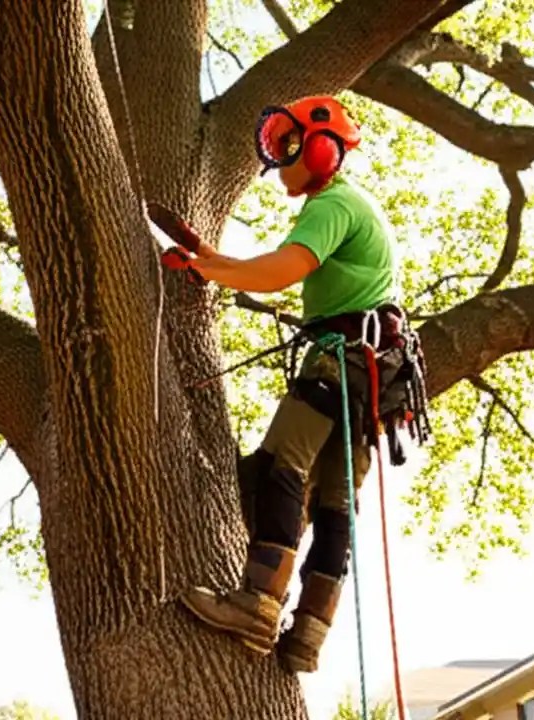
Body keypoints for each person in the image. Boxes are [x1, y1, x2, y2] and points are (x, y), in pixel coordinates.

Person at [158, 95, 404, 673]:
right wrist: (211, 259)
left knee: (279, 470)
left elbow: (277, 272)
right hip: (376, 383)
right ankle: (308, 635)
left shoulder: (331, 203)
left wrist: (202, 268)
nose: (281, 160)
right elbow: (264, 269)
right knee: (334, 502)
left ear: (323, 145)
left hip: (341, 361)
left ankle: (258, 603)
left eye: (288, 145)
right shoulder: (353, 206)